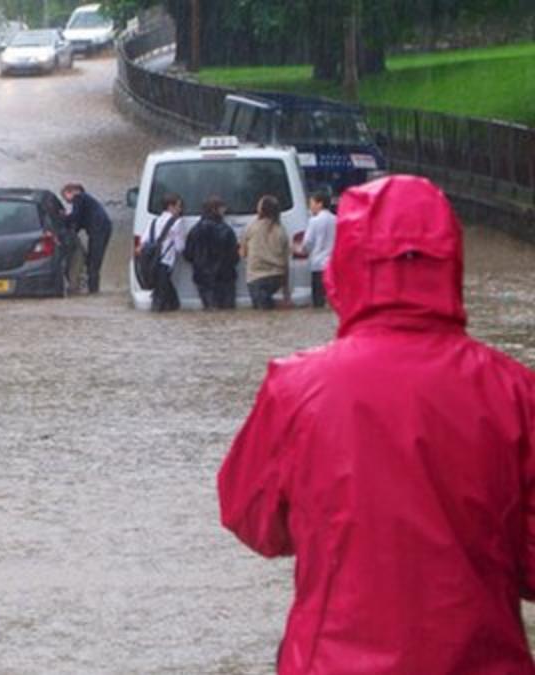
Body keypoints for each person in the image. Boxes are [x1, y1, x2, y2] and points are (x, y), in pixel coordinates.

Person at [217, 175, 535, 674]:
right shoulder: (515, 393)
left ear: (348, 264)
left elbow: (252, 520)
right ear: (451, 262)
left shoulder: (296, 390)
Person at [183, 196, 239, 309]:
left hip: (203, 279)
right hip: (225, 278)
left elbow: (188, 255)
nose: (225, 211)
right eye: (223, 209)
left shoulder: (195, 230)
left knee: (211, 310)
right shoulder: (227, 230)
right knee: (228, 314)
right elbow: (235, 256)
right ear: (216, 210)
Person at [239, 195, 291, 310]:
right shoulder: (281, 230)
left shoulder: (251, 227)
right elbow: (286, 261)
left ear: (261, 210)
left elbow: (243, 253)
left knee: (261, 309)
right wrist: (286, 293)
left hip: (256, 277)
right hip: (278, 276)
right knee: (267, 306)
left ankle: (278, 306)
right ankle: (283, 307)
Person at [136, 193, 186, 312]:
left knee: (167, 297)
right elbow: (180, 247)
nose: (180, 209)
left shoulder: (153, 222)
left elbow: (143, 241)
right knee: (161, 300)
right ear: (170, 207)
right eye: (178, 206)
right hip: (165, 262)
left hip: (151, 263)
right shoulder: (178, 223)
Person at [61, 183, 112, 294]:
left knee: (93, 265)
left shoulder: (78, 197)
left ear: (70, 192)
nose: (66, 201)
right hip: (101, 229)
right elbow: (79, 222)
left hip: (99, 231)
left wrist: (63, 217)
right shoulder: (85, 200)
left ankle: (93, 292)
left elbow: (75, 217)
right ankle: (93, 291)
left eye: (64, 197)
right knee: (92, 263)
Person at [296, 191, 336, 308]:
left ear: (320, 204)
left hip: (318, 266)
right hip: (333, 266)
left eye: (311, 203)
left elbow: (307, 243)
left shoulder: (314, 221)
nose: (310, 207)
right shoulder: (337, 220)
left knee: (318, 303)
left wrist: (299, 249)